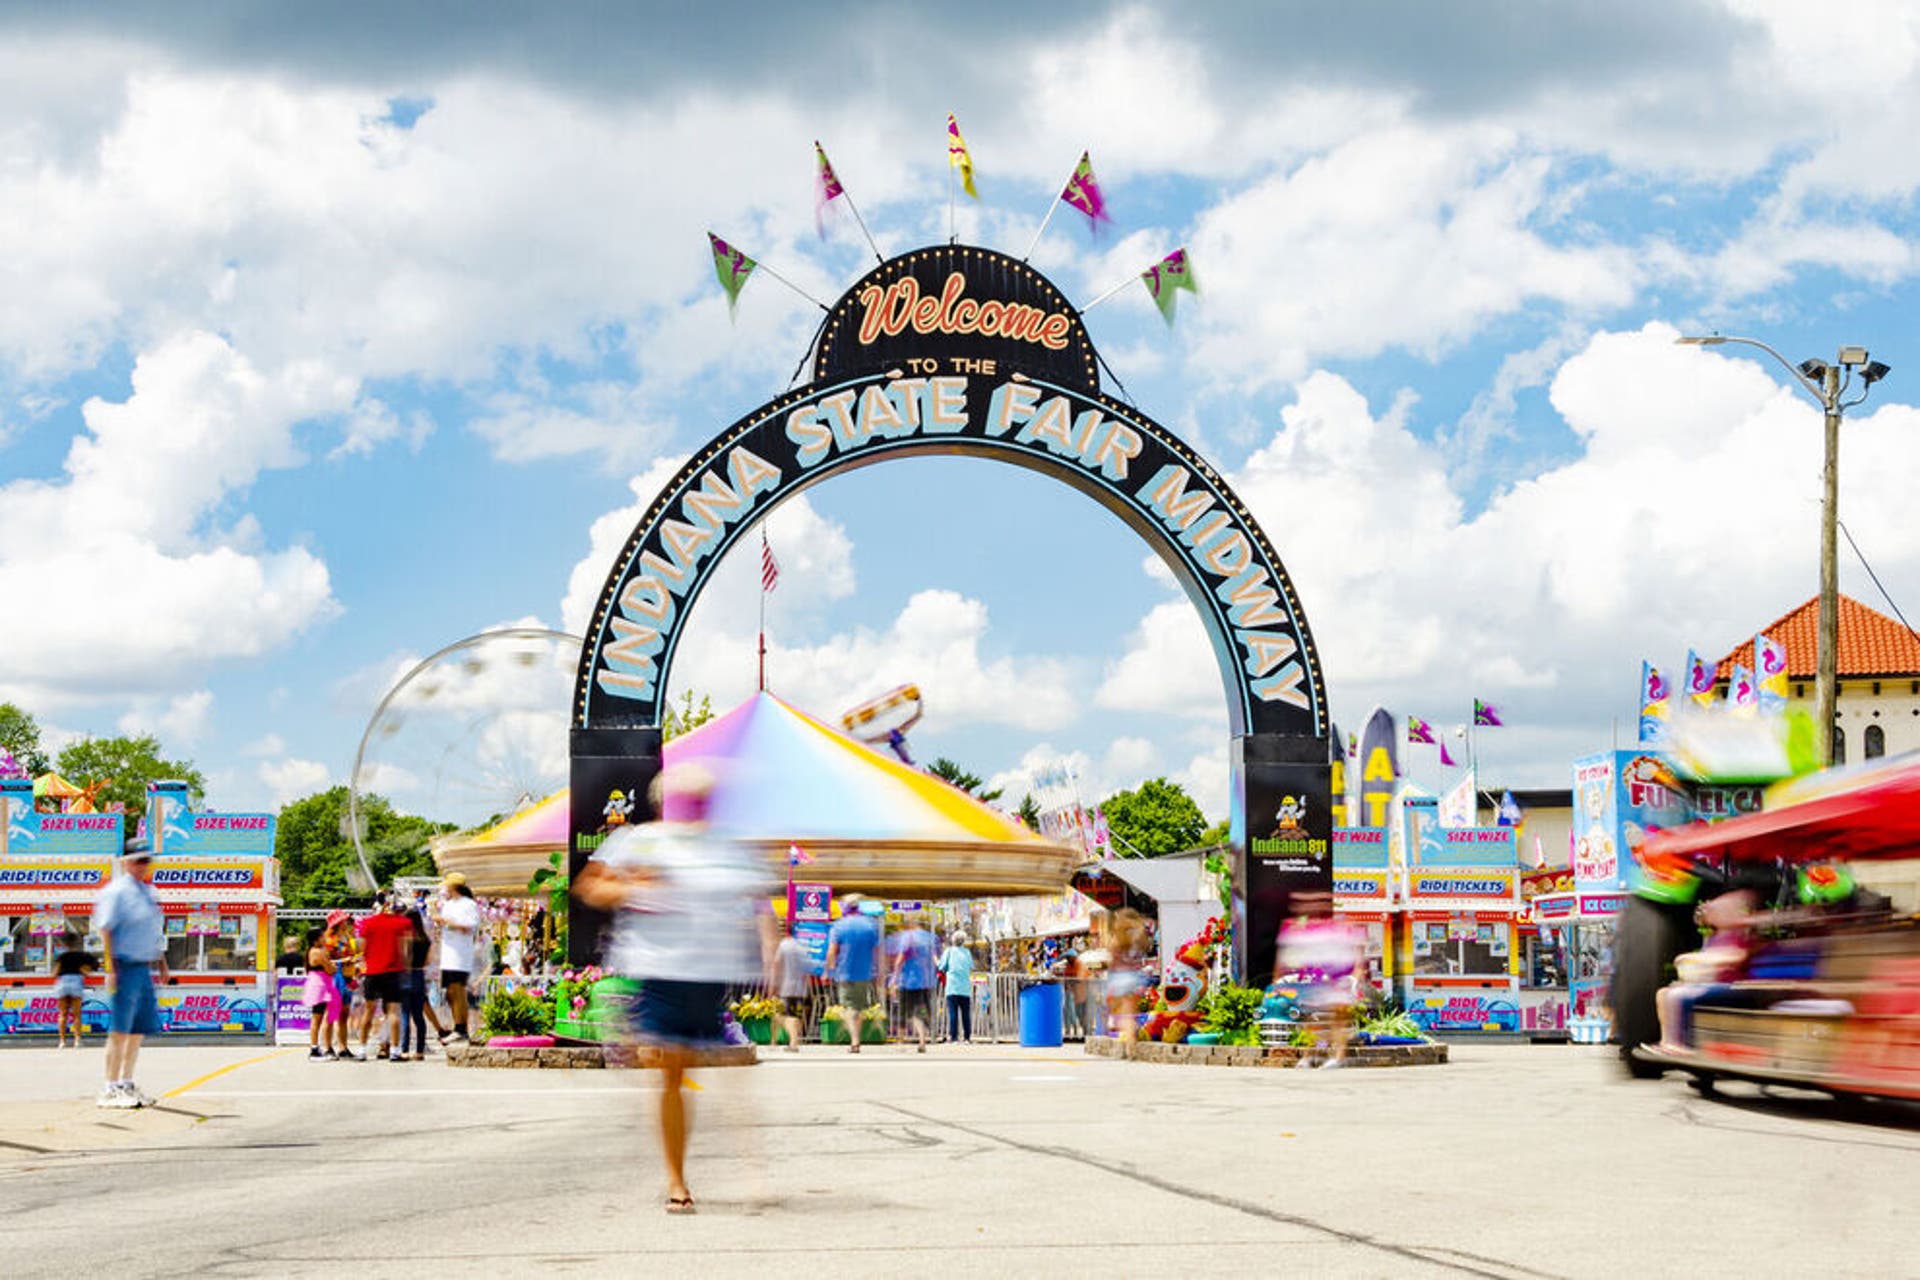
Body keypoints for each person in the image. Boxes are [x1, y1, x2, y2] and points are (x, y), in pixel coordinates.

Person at [573, 763, 774, 1215]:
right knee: (671, 1069)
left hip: (708, 974)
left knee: (716, 1072)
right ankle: (678, 1179)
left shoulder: (726, 846)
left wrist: (769, 947)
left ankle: (750, 1162)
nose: (698, 809)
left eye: (705, 799)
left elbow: (758, 900)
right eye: (690, 800)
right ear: (667, 803)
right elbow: (589, 888)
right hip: (658, 970)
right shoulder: (638, 841)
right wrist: (630, 886)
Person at [94, 841, 168, 1108]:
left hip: (143, 967)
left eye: (146, 860)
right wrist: (110, 968)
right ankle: (109, 1087)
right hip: (124, 965)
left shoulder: (149, 892)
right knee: (120, 1030)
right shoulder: (116, 892)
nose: (143, 866)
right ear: (125, 862)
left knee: (138, 1030)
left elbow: (151, 932)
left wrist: (161, 963)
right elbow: (106, 930)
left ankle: (126, 1082)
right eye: (138, 860)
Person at [1277, 891, 1362, 1068]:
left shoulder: (1341, 927)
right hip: (1312, 981)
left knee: (1337, 1020)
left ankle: (1338, 1057)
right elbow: (1285, 957)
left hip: (1338, 982)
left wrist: (1355, 977)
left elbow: (1357, 956)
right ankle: (1311, 1055)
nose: (1312, 908)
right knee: (1310, 1020)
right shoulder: (1298, 929)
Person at [824, 893, 884, 1054]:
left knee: (848, 1008)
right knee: (857, 1008)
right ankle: (856, 1037)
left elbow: (832, 951)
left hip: (845, 972)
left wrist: (827, 970)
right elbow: (877, 951)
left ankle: (855, 1040)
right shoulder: (870, 925)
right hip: (865, 973)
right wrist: (879, 971)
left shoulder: (839, 926)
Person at [357, 893, 412, 1062]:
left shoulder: (367, 923)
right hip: (393, 972)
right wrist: (406, 966)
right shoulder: (402, 923)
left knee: (368, 1011)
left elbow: (361, 948)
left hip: (372, 972)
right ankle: (395, 1050)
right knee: (393, 1012)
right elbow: (406, 950)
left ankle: (362, 1049)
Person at [434, 873, 480, 1043]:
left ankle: (461, 1028)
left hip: (460, 954)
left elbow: (470, 925)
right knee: (450, 993)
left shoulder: (468, 904)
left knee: (457, 989)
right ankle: (457, 1025)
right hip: (448, 954)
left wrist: (448, 922)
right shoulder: (447, 905)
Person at [890, 913, 937, 1052]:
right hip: (926, 980)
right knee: (920, 1011)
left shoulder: (908, 938)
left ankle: (901, 1043)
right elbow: (935, 958)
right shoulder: (929, 937)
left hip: (909, 980)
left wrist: (894, 978)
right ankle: (922, 1041)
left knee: (904, 1012)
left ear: (909, 924)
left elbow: (900, 959)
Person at [398, 907, 434, 1060]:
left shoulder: (406, 938)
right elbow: (428, 961)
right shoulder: (425, 939)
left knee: (405, 1014)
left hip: (406, 975)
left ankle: (404, 1049)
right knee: (418, 1016)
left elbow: (403, 957)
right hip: (419, 975)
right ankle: (420, 1051)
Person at [301, 926, 342, 1059]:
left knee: (320, 1017)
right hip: (319, 986)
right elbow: (330, 969)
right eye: (322, 937)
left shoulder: (314, 951)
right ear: (316, 940)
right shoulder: (318, 952)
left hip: (320, 984)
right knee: (317, 1018)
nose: (325, 938)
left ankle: (320, 1046)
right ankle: (314, 1048)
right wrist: (333, 966)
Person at [771, 922, 812, 1053]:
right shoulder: (802, 947)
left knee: (786, 1015)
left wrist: (773, 985)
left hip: (786, 986)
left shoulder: (784, 945)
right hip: (800, 987)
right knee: (793, 1014)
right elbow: (807, 970)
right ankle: (781, 1040)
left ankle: (793, 1042)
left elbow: (776, 965)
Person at [53, 931, 98, 1049]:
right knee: (77, 1014)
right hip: (76, 982)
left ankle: (62, 1041)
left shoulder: (61, 957)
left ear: (65, 944)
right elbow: (87, 971)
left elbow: (54, 973)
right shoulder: (82, 956)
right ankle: (77, 1040)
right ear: (77, 942)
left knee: (63, 1014)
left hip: (63, 983)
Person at [937, 931, 974, 1044]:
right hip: (965, 988)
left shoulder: (949, 951)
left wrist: (936, 961)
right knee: (965, 1014)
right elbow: (971, 966)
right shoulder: (967, 952)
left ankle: (954, 1037)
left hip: (952, 986)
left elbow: (942, 966)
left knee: (953, 1013)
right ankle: (967, 1037)